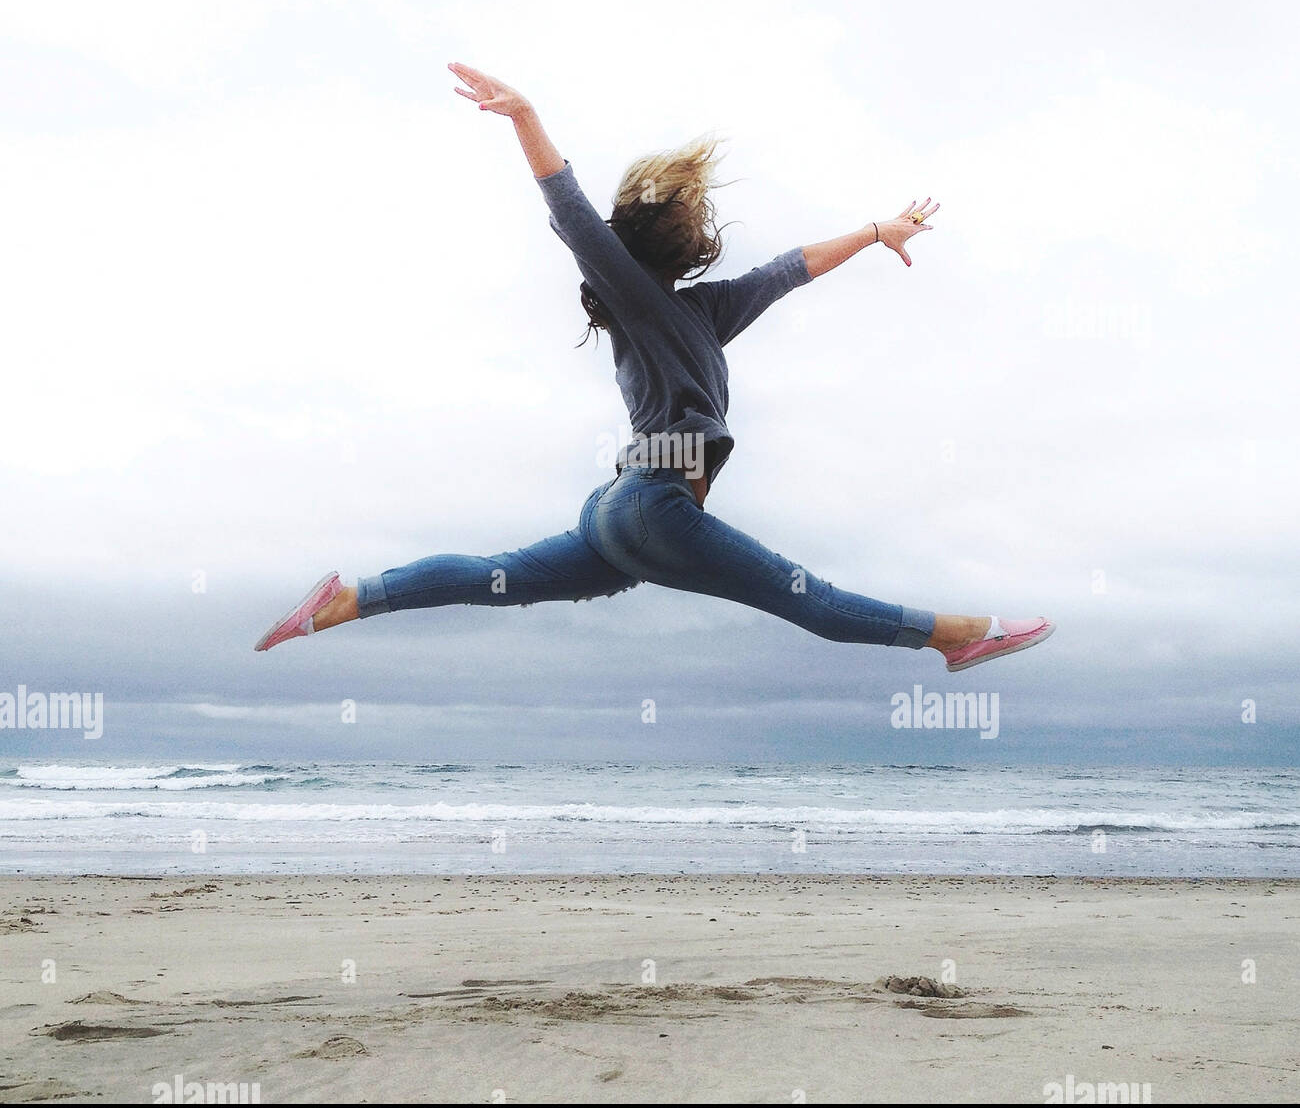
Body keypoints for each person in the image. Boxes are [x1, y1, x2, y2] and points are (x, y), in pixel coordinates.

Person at [255, 63, 1054, 674]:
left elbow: (791, 266)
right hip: (652, 506)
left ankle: (348, 602)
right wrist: (527, 117)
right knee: (811, 599)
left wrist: (878, 230)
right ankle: (958, 639)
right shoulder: (634, 295)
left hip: (615, 516)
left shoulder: (707, 312)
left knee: (497, 575)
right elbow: (569, 211)